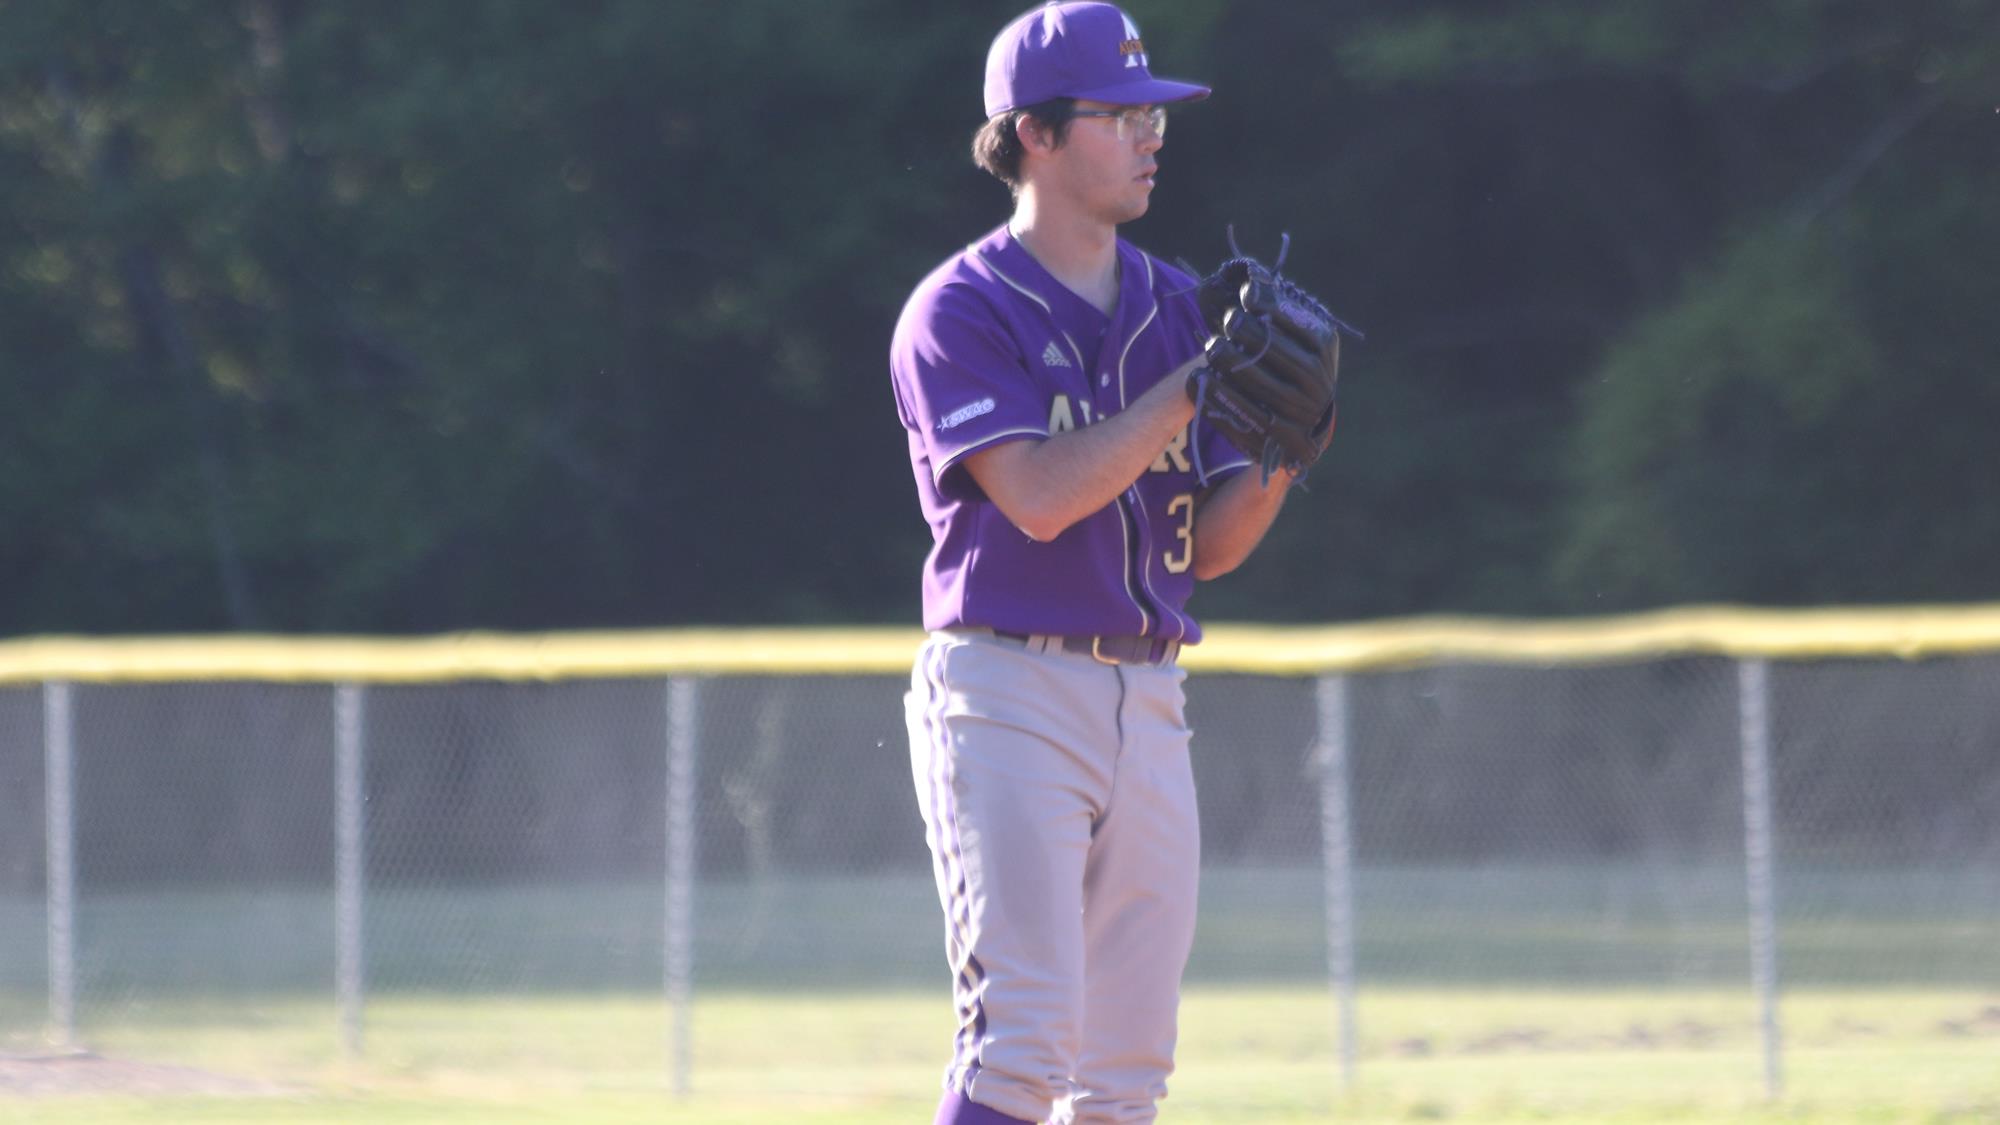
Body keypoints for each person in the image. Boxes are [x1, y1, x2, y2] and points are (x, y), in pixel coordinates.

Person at [889, 4, 1318, 1122]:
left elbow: (1211, 548)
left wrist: (1278, 450)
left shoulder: (1179, 305)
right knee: (1020, 1045)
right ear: (1033, 133)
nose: (1149, 133)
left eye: (1151, 114)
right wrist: (1189, 391)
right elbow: (1034, 497)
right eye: (1118, 114)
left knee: (1126, 1072)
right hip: (1008, 691)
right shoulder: (959, 309)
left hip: (1149, 688)